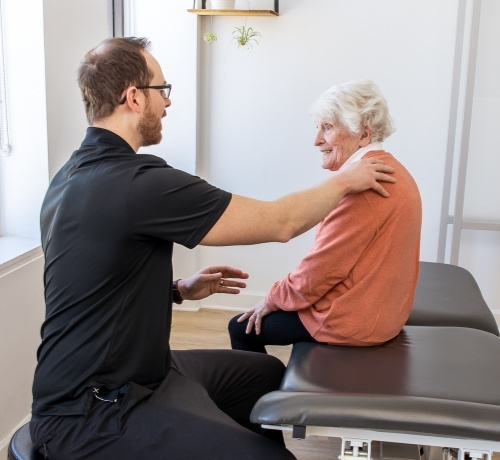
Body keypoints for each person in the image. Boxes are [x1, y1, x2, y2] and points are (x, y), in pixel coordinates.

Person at [29, 38, 396, 460]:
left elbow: (90, 275)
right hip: (94, 409)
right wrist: (346, 179)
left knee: (262, 374)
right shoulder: (138, 183)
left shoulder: (71, 175)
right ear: (133, 97)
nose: (167, 103)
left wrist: (177, 290)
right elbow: (281, 222)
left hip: (145, 373)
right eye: (162, 91)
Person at [229, 79, 421, 353]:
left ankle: (265, 397)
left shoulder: (364, 188)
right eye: (318, 127)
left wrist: (271, 300)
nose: (317, 140)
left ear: (363, 134)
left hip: (357, 321)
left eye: (328, 128)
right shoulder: (393, 169)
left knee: (241, 327)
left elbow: (317, 275)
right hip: (384, 312)